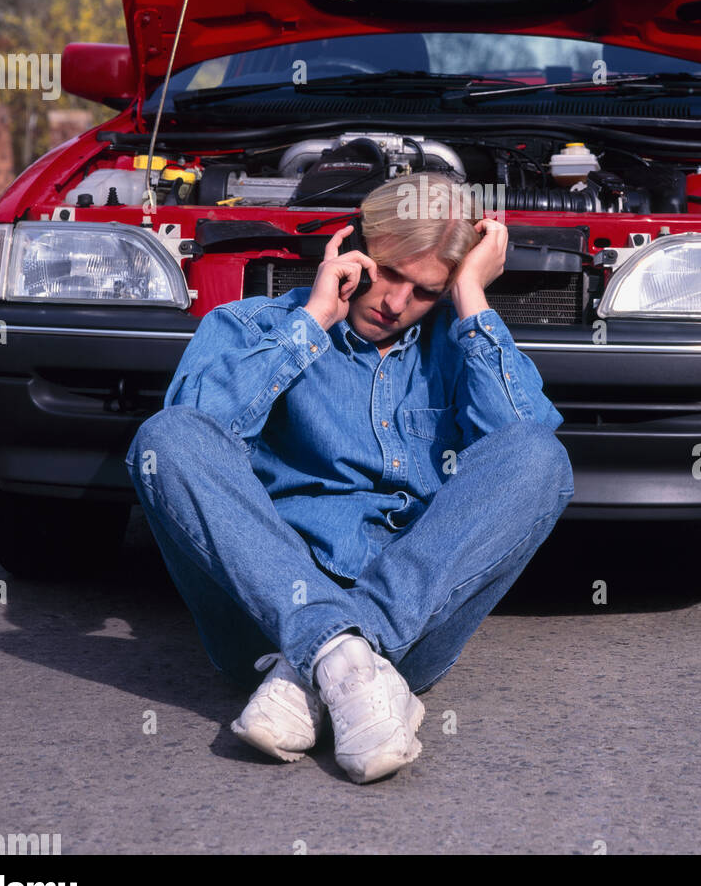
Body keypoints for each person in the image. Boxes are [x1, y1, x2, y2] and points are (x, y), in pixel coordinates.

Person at [125, 171, 573, 784]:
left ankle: (327, 665)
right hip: (263, 615)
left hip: (410, 631)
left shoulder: (456, 345)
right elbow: (196, 437)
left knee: (541, 457)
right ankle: (340, 661)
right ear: (353, 245)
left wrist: (472, 297)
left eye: (424, 290)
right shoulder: (253, 326)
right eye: (389, 273)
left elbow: (524, 443)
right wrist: (310, 323)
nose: (394, 303)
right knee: (165, 437)